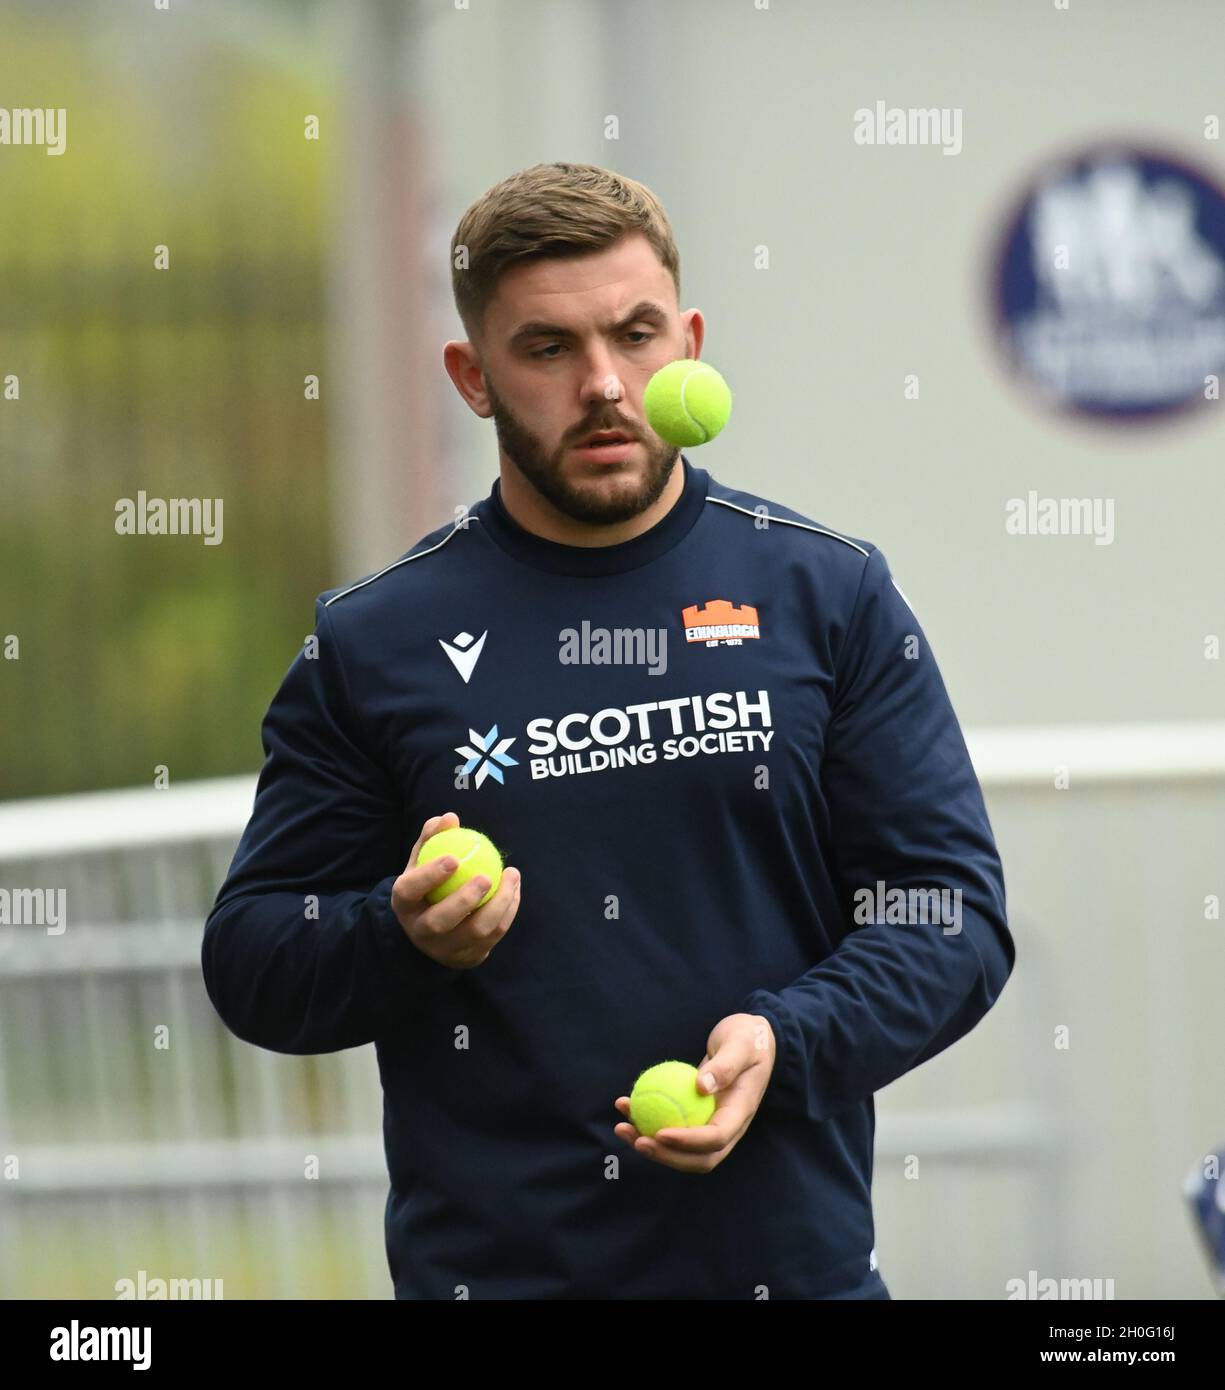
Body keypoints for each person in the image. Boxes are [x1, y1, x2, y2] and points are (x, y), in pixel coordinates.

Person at [202, 161, 1014, 1300]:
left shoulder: (826, 593)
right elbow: (252, 960)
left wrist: (788, 1039)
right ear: (472, 376)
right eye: (546, 349)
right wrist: (398, 938)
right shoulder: (375, 641)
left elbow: (952, 913)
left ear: (687, 342)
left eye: (635, 335)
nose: (603, 384)